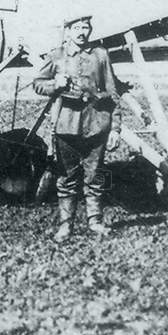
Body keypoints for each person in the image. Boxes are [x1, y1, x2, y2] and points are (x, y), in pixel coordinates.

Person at [32, 12, 117, 241]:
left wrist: (115, 127)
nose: (82, 32)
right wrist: (54, 85)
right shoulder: (56, 55)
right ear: (67, 31)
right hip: (66, 126)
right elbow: (37, 84)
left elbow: (113, 93)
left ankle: (95, 222)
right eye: (77, 27)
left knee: (96, 175)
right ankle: (66, 226)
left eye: (85, 27)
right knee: (66, 178)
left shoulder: (100, 55)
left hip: (97, 124)